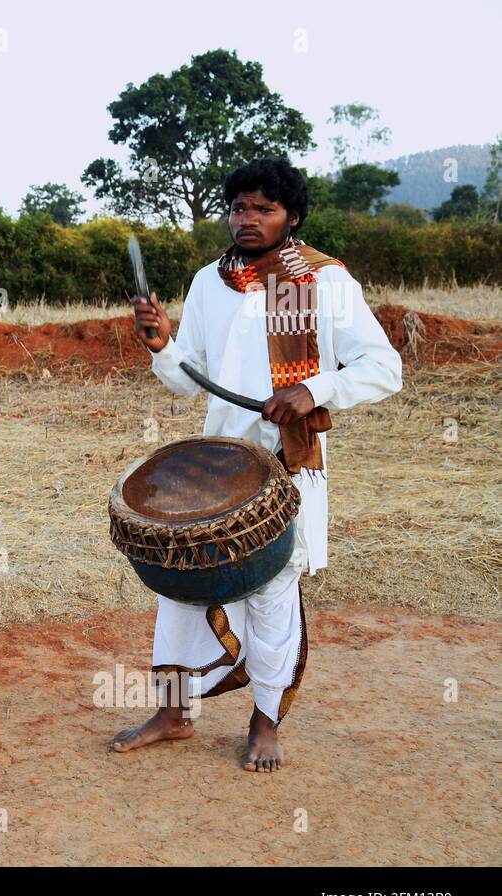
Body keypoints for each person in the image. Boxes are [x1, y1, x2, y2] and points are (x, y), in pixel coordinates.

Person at [116, 158, 402, 771]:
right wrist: (162, 345)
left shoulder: (326, 282)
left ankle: (264, 723)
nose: (247, 219)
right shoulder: (207, 282)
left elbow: (385, 368)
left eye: (264, 209)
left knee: (273, 599)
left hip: (286, 472)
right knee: (178, 593)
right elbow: (186, 381)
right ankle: (173, 713)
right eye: (239, 207)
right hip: (212, 471)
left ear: (291, 216)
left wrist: (314, 389)